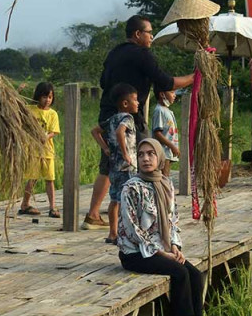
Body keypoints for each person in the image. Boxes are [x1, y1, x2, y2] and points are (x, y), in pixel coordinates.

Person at [83, 15, 194, 230]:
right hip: (131, 119)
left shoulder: (114, 52)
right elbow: (166, 81)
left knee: (109, 165)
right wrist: (193, 77)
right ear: (137, 34)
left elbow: (103, 82)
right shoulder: (143, 54)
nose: (152, 36)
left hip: (107, 114)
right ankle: (148, 210)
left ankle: (93, 214)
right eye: (149, 32)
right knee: (150, 158)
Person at [117, 138, 209, 316]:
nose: (146, 158)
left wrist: (175, 247)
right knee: (180, 273)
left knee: (195, 274)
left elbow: (172, 220)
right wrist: (160, 252)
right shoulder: (131, 187)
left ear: (159, 157)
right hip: (136, 253)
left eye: (151, 153)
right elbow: (132, 230)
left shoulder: (165, 184)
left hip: (164, 249)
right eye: (141, 154)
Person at [91, 83, 139, 244]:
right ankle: (128, 232)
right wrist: (126, 154)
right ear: (126, 104)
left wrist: (105, 147)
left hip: (113, 166)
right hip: (127, 167)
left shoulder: (111, 119)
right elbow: (120, 131)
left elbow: (95, 131)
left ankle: (113, 233)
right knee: (129, 199)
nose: (138, 103)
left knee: (115, 199)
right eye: (135, 100)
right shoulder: (128, 118)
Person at [18, 82, 61, 218]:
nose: (47, 100)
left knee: (50, 179)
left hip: (47, 151)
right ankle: (25, 204)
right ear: (38, 96)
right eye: (44, 97)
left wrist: (46, 136)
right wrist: (19, 90)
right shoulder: (30, 109)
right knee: (32, 178)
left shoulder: (53, 114)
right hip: (32, 151)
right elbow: (16, 106)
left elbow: (54, 131)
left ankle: (52, 207)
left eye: (50, 97)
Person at [151, 89, 180, 177]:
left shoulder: (168, 111)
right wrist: (172, 146)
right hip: (163, 151)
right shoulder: (159, 111)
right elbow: (157, 133)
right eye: (172, 92)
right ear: (162, 94)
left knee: (166, 175)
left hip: (168, 151)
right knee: (164, 176)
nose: (174, 95)